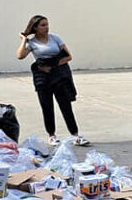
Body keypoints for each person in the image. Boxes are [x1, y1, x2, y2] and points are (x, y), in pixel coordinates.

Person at [16, 15, 87, 146]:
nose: (46, 28)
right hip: (42, 78)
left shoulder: (55, 38)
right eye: (43, 25)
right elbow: (20, 56)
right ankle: (51, 135)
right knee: (47, 106)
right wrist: (24, 40)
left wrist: (51, 65)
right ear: (35, 27)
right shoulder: (32, 43)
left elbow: (68, 56)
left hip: (59, 75)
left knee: (66, 106)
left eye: (47, 24)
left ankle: (76, 135)